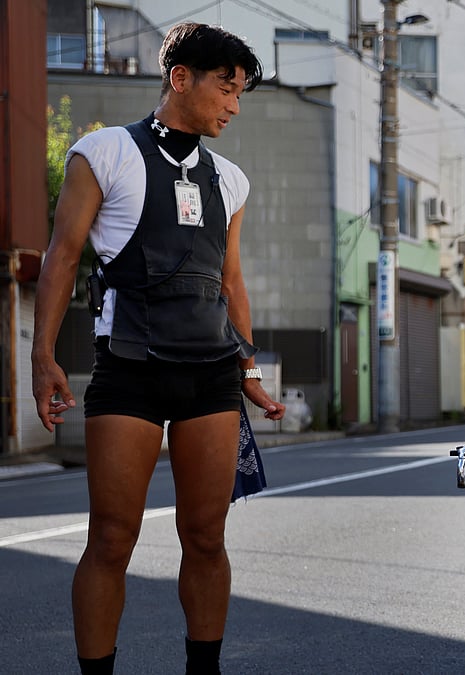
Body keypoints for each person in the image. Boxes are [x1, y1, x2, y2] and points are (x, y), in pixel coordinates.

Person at [31, 22, 283, 674]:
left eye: (240, 95)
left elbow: (231, 282)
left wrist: (250, 368)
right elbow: (61, 257)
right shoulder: (104, 152)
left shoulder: (230, 179)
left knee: (205, 536)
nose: (233, 104)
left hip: (211, 377)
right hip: (130, 368)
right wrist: (43, 353)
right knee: (111, 538)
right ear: (180, 77)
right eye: (226, 88)